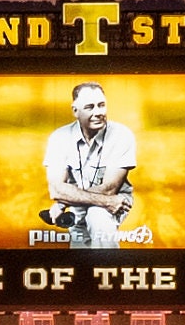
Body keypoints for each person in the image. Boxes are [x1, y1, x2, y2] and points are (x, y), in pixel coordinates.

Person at [39, 82, 139, 247]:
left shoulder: (122, 135)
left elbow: (109, 189)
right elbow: (56, 189)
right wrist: (65, 199)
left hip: (115, 202)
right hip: (82, 204)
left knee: (97, 215)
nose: (98, 112)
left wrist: (62, 203)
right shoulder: (59, 137)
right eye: (90, 107)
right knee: (80, 253)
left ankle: (108, 270)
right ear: (75, 111)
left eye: (101, 105)